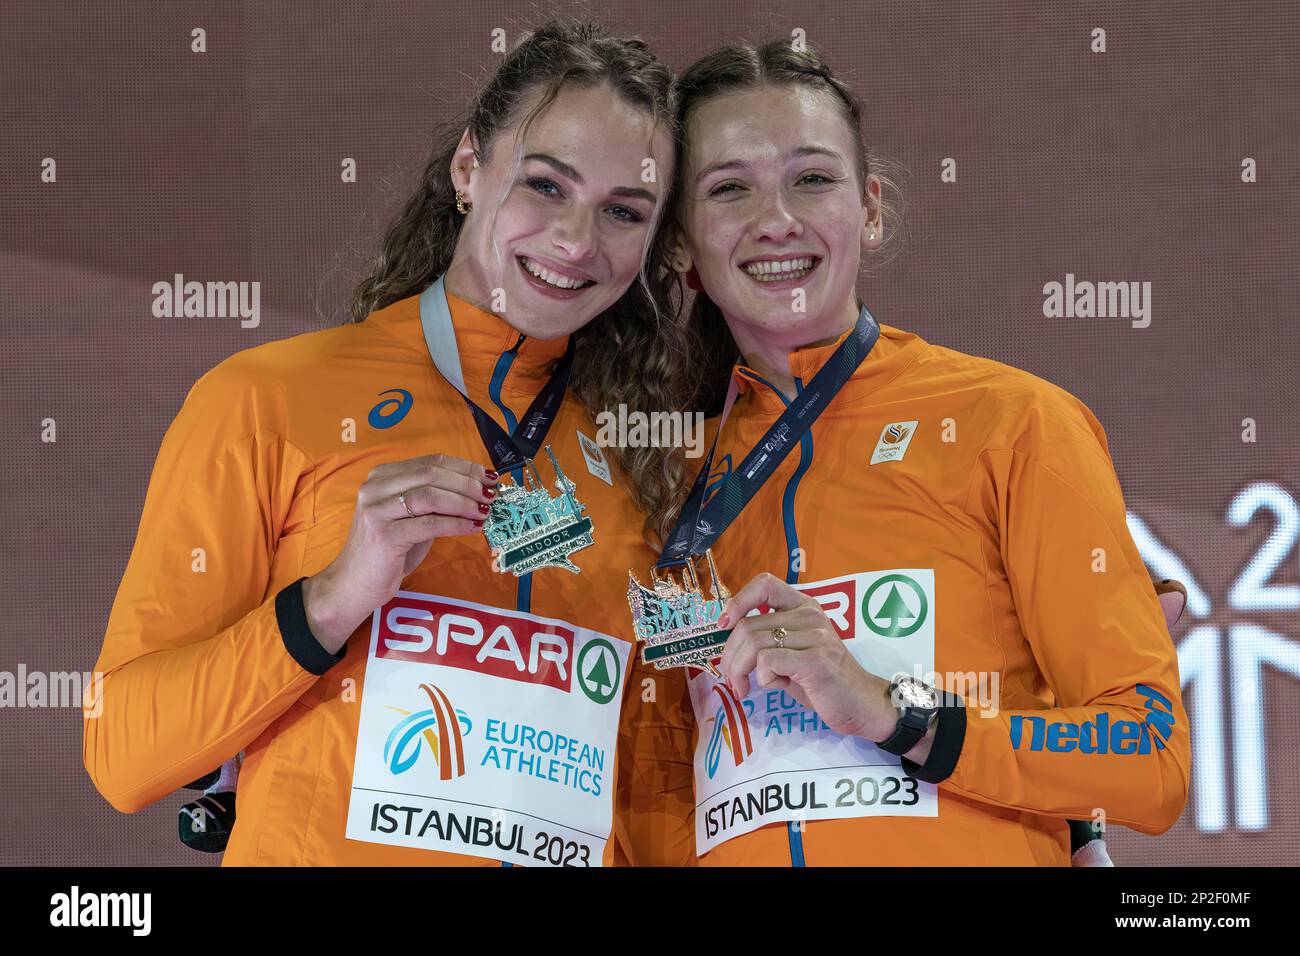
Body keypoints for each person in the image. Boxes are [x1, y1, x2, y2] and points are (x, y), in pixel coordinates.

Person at [83, 19, 692, 866]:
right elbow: (123, 755)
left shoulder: (642, 464)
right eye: (546, 186)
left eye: (623, 212)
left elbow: (650, 800)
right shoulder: (270, 398)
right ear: (469, 169)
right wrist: (330, 600)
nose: (577, 242)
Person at [621, 39, 1189, 866]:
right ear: (681, 247)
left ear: (871, 208)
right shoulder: (663, 488)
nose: (776, 218)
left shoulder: (1015, 423)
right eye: (729, 189)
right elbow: (652, 802)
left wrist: (895, 712)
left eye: (812, 178)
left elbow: (1149, 759)